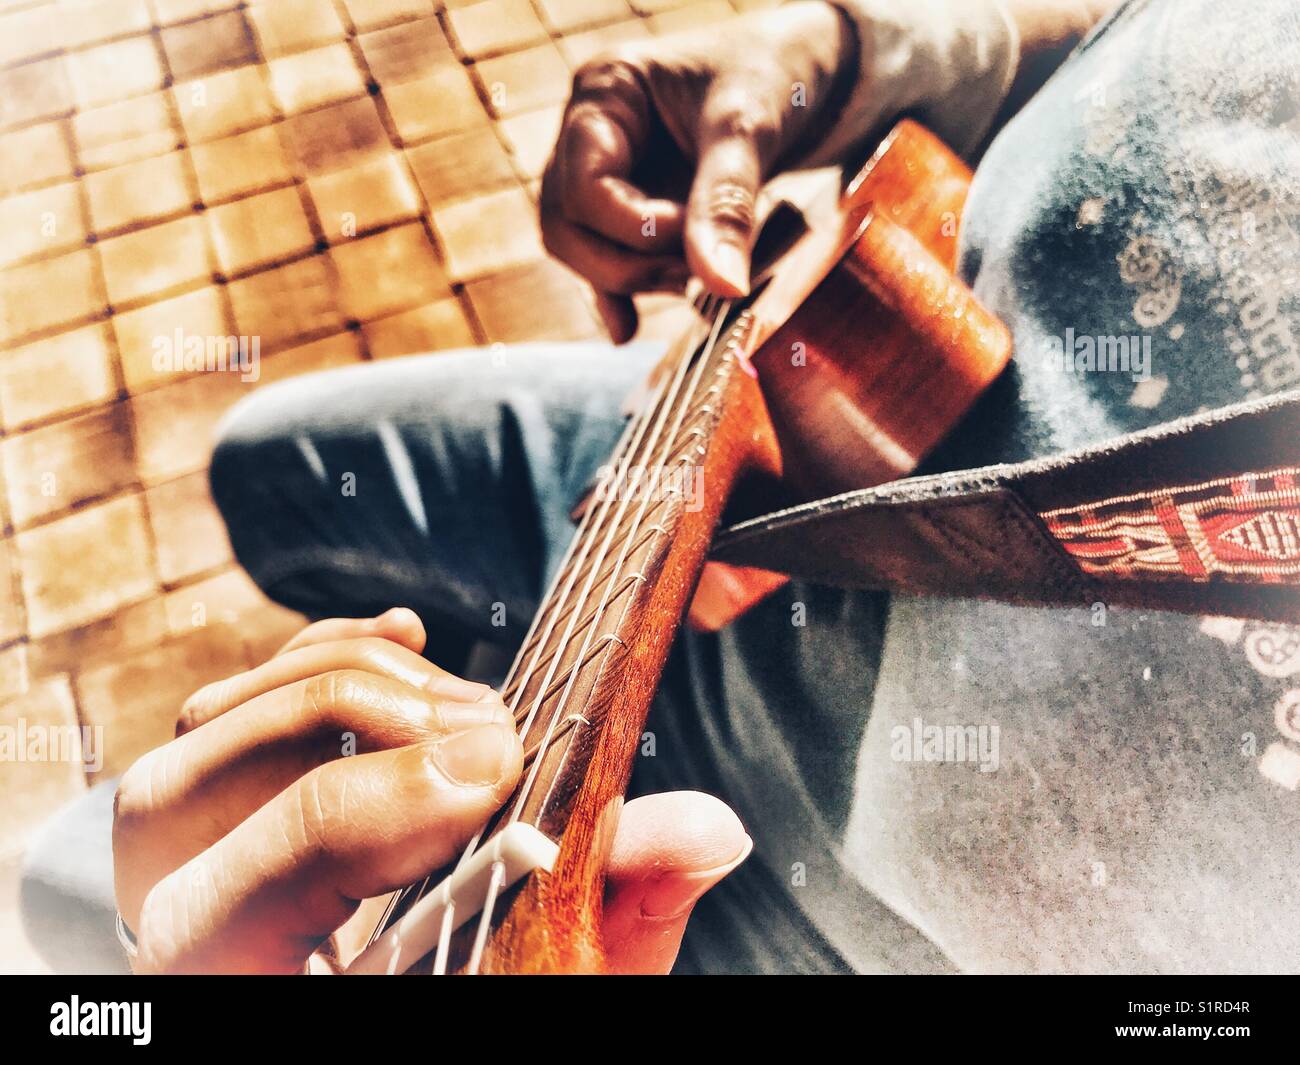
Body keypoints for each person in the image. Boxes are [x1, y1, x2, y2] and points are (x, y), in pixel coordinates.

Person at [26, 0, 1300, 973]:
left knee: (69, 889)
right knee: (275, 469)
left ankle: (486, 681)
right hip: (766, 430)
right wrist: (847, 53)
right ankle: (491, 662)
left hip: (818, 895)